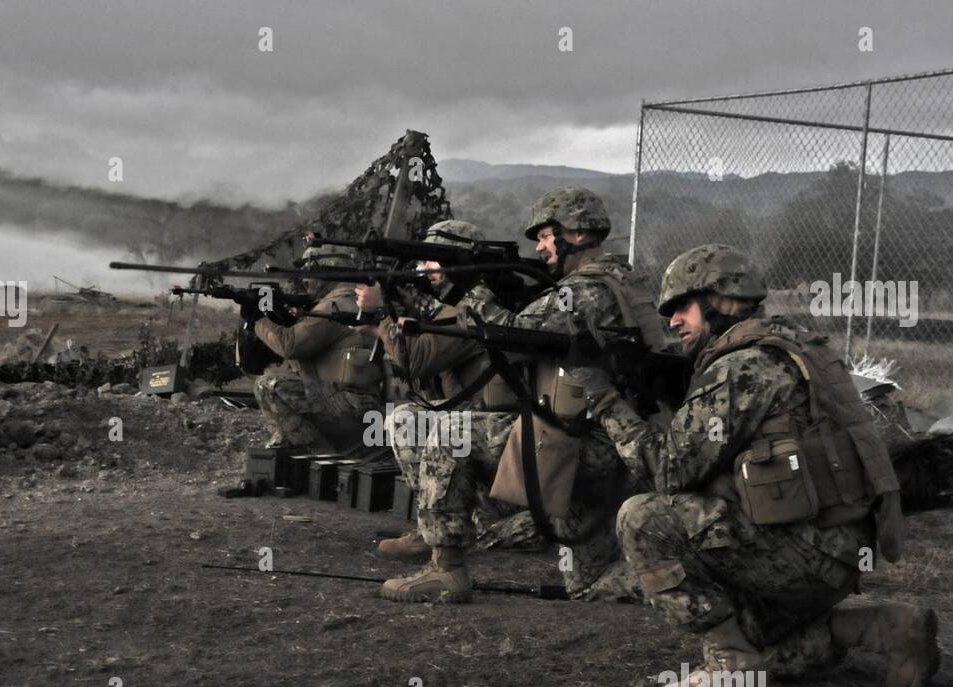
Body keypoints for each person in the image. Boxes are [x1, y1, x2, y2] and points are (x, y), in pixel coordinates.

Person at [575, 244, 938, 687]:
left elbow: (667, 470)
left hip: (803, 552)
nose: (673, 322)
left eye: (682, 307)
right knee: (773, 650)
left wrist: (604, 400)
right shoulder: (792, 345)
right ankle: (882, 626)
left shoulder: (742, 367)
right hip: (836, 550)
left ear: (719, 300)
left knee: (643, 518)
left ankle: (731, 669)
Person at [381, 188, 667, 603]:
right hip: (614, 439)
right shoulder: (621, 279)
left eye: (547, 236)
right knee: (587, 584)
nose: (539, 247)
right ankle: (691, 580)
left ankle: (447, 570)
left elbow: (510, 337)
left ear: (579, 233)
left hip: (591, 444)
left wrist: (473, 288)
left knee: (449, 431)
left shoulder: (587, 290)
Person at [353, 219, 539, 561]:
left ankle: (448, 531)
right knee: (410, 417)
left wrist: (382, 318)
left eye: (431, 259)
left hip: (505, 424)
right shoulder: (464, 302)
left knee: (407, 421)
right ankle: (440, 527)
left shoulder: (479, 304)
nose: (423, 268)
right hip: (487, 417)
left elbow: (417, 360)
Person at [250, 243, 384, 451]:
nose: (305, 282)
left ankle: (321, 456)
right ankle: (300, 446)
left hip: (352, 407)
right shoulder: (353, 297)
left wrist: (257, 320)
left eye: (310, 274)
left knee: (269, 385)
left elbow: (290, 345)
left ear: (326, 274)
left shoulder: (337, 303)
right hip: (359, 405)